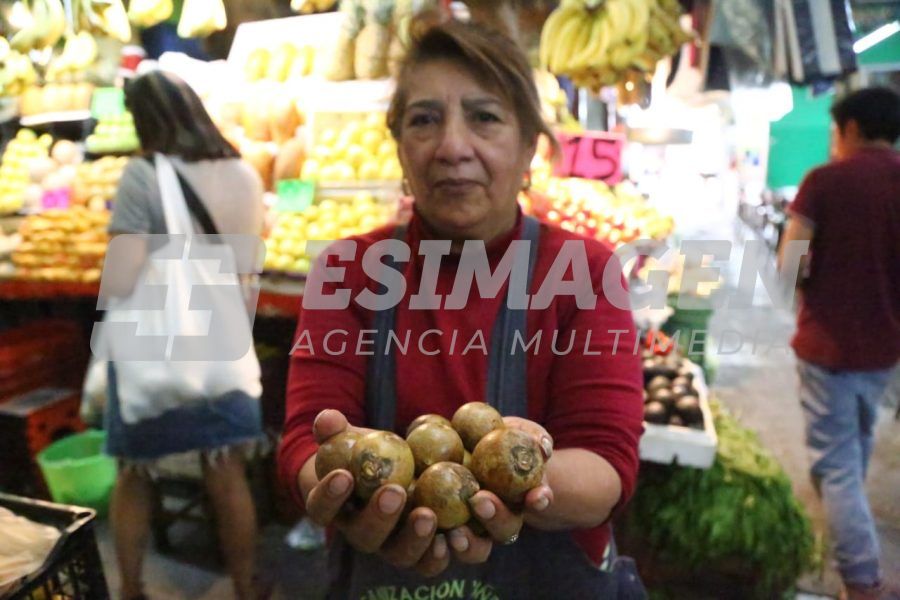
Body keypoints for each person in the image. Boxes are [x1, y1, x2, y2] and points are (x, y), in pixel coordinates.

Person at [278, 19, 645, 597]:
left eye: (485, 117)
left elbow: (608, 465)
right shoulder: (348, 270)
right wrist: (345, 494)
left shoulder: (585, 271)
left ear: (529, 146)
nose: (452, 146)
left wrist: (514, 476)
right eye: (424, 120)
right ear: (399, 147)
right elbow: (305, 440)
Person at [104, 71, 266, 600]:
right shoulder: (244, 173)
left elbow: (123, 273)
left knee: (134, 474)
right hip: (223, 346)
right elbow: (248, 267)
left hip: (157, 351)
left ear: (145, 119)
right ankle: (245, 585)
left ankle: (129, 587)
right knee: (226, 470)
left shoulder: (144, 175)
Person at [779, 86, 900, 600]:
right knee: (856, 443)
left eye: (835, 130)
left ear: (850, 129)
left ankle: (862, 580)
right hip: (885, 349)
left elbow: (791, 262)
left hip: (828, 345)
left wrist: (804, 286)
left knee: (838, 467)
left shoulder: (825, 181)